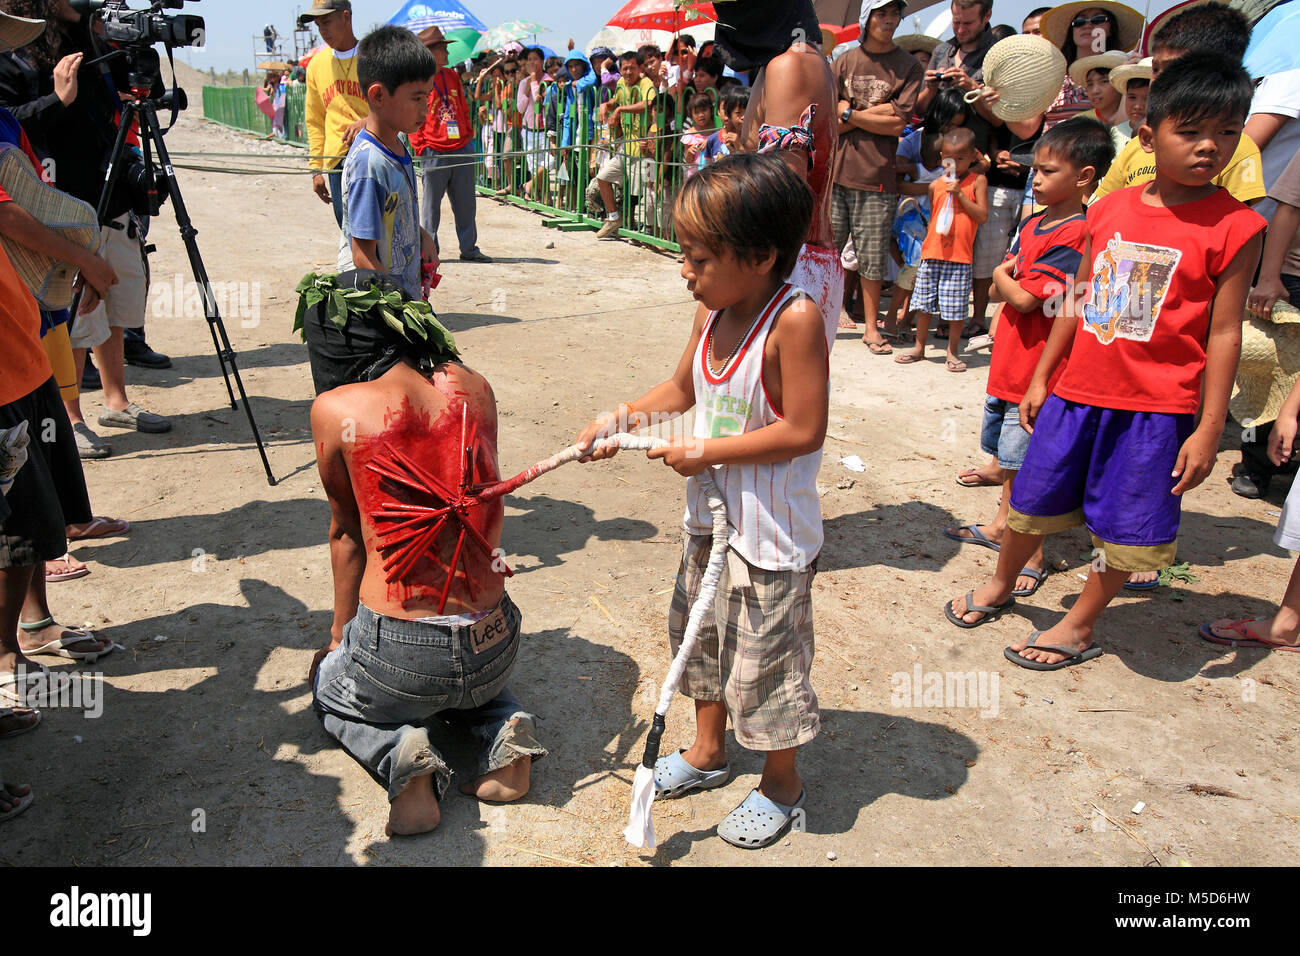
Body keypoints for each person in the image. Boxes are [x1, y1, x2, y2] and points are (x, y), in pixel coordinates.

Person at [944, 54, 1266, 670]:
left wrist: (1205, 427)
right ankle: (1001, 582)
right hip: (1077, 390)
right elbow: (1080, 297)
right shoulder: (1110, 211)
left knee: (1128, 522)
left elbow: (1225, 332)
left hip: (1157, 408)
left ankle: (1079, 623)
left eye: (1228, 132)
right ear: (1149, 134)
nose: (1210, 147)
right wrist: (1043, 375)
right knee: (1031, 498)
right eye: (1191, 130)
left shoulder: (1237, 225)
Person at [577, 154, 827, 849]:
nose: (685, 269)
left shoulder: (793, 321)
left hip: (769, 537)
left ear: (760, 257)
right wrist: (623, 416)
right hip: (710, 524)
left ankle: (782, 783)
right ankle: (710, 751)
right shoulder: (711, 307)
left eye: (698, 257)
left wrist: (705, 452)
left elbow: (803, 429)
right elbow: (683, 390)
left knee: (766, 664)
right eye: (684, 254)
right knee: (703, 640)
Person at [308, 244, 545, 837]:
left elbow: (347, 535)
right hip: (496, 638)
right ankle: (505, 730)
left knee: (331, 689)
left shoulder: (337, 407)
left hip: (401, 652)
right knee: (467, 684)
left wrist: (338, 640)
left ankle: (403, 760)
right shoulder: (475, 388)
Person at [944, 118, 1110, 597]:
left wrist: (1000, 272)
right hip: (1010, 362)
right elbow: (1004, 293)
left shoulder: (1079, 233)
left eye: (1048, 171)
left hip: (1039, 369)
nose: (1035, 179)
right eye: (1034, 169)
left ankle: (1031, 553)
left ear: (1084, 177)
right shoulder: (1034, 222)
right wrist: (1004, 281)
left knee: (1026, 463)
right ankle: (1001, 526)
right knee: (1007, 458)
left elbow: (1021, 298)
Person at [0, 0, 172, 458]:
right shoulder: (15, 53)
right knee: (73, 310)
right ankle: (70, 416)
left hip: (107, 186)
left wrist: (139, 65)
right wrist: (57, 100)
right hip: (58, 197)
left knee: (111, 298)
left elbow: (127, 98)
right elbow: (11, 125)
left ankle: (116, 400)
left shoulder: (91, 38)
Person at [718, 0, 845, 351]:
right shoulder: (788, 60)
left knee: (768, 400)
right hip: (798, 261)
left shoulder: (794, 63)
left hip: (787, 264)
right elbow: (752, 145)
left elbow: (783, 190)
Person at [1091, 2, 1262, 205]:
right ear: (1148, 139)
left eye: (1175, 70)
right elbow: (1101, 208)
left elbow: (1236, 225)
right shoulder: (1137, 145)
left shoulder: (1237, 149)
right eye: (1156, 69)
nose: (1158, 81)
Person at [830, 0, 923, 355]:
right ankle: (821, 316)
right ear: (867, 17)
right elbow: (830, 118)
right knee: (828, 253)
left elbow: (899, 123)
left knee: (871, 258)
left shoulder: (909, 66)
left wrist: (851, 111)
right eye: (881, 12)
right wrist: (875, 113)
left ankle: (871, 328)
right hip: (838, 174)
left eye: (894, 13)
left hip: (878, 176)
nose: (888, 19)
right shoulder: (844, 61)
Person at [336, 26, 438, 304]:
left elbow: (393, 213)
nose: (424, 109)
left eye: (427, 97)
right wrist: (403, 310)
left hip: (400, 298)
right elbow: (363, 256)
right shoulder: (369, 166)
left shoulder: (398, 143)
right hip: (380, 307)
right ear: (379, 95)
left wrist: (421, 235)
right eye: (416, 98)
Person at [894, 127, 987, 370]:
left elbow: (982, 215)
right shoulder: (936, 184)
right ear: (941, 157)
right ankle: (919, 347)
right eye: (949, 158)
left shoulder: (977, 181)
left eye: (960, 159)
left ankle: (952, 351)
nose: (954, 164)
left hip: (959, 255)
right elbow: (936, 218)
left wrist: (961, 196)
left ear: (972, 156)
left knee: (955, 308)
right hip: (933, 252)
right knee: (924, 303)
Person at [409, 26, 490, 263]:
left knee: (466, 203)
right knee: (431, 208)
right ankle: (429, 252)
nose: (446, 52)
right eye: (442, 48)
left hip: (460, 147)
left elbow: (463, 108)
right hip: (433, 150)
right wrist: (420, 146)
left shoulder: (452, 75)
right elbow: (413, 116)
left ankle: (469, 249)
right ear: (429, 52)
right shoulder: (417, 81)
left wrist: (468, 135)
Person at [301, 0, 367, 228]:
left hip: (374, 157)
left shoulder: (373, 56)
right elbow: (315, 121)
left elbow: (395, 107)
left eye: (327, 22)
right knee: (348, 232)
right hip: (337, 162)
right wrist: (315, 169)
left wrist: (368, 122)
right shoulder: (317, 65)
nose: (323, 31)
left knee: (380, 231)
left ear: (346, 17)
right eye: (318, 25)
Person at [1038, 2, 1141, 129]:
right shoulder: (1051, 75)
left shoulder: (1125, 71)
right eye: (1079, 21)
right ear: (1072, 30)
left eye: (1098, 19)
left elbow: (1125, 127)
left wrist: (1129, 77)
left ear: (1111, 29)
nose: (1088, 25)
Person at [916, 0, 999, 153]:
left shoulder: (998, 55)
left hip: (973, 160)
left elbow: (998, 121)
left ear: (987, 16)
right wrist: (930, 89)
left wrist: (972, 89)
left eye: (968, 23)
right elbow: (920, 111)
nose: (960, 30)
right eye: (956, 22)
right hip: (932, 161)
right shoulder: (941, 51)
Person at [593, 51, 656, 240]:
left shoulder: (646, 84)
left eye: (632, 68)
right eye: (624, 68)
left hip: (646, 148)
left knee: (649, 191)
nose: (628, 72)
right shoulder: (620, 83)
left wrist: (620, 109)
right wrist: (607, 105)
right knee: (602, 177)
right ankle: (614, 218)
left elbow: (650, 103)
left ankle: (651, 232)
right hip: (626, 148)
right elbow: (616, 101)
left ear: (640, 68)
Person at [703, 84, 748, 163]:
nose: (743, 117)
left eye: (747, 112)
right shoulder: (712, 140)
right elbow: (708, 167)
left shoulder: (751, 139)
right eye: (738, 112)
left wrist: (739, 147)